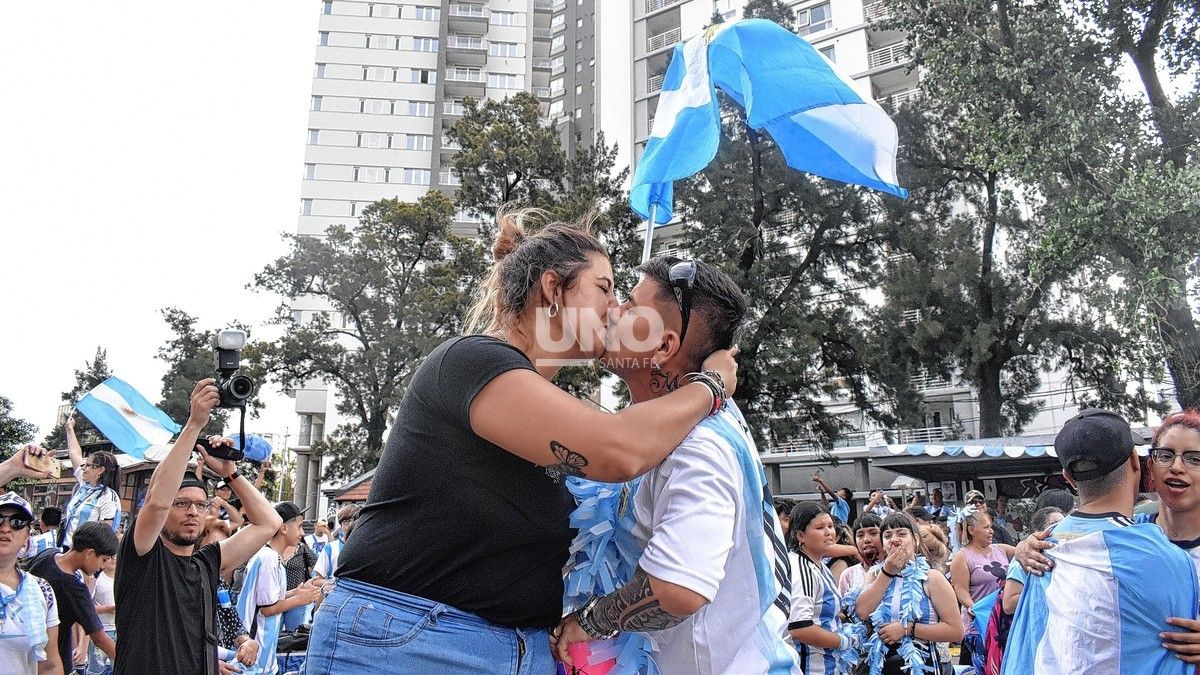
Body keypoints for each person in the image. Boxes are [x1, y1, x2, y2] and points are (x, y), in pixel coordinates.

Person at [306, 215, 738, 674]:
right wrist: (711, 384)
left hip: (510, 651)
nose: (617, 309)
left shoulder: (545, 405)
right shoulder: (472, 360)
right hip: (409, 643)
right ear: (553, 289)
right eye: (605, 288)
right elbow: (619, 451)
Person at [549, 255, 794, 673]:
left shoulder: (698, 447)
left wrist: (589, 622)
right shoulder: (668, 428)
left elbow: (678, 588)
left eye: (629, 304)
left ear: (663, 347)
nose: (613, 311)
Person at [1002, 409, 1198, 674]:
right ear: (1145, 464)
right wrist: (1026, 549)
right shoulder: (1121, 536)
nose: (1177, 466)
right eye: (1165, 455)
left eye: (1194, 458)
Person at [114, 379, 283, 674]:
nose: (192, 512)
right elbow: (157, 501)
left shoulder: (206, 563)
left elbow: (269, 523)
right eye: (181, 504)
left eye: (200, 504)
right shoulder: (142, 554)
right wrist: (194, 426)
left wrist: (230, 474)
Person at [852, 512, 962, 674]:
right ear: (883, 544)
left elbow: (956, 631)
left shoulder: (932, 577)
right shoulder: (875, 574)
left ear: (915, 540)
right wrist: (887, 572)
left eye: (902, 534)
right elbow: (862, 612)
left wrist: (908, 629)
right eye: (888, 536)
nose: (894, 540)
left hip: (924, 664)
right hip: (882, 664)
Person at [238, 502, 322, 675]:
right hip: (255, 656)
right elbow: (267, 609)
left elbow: (270, 598)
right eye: (299, 526)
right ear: (284, 528)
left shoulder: (269, 556)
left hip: (261, 657)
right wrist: (299, 600)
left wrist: (296, 592)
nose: (302, 533)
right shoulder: (269, 559)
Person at [27, 520, 117, 672]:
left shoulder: (46, 556)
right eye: (103, 560)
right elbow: (100, 638)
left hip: (26, 654)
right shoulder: (75, 589)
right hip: (53, 662)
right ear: (90, 553)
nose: (101, 567)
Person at [0, 491, 62, 675]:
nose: (5, 528)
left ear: (28, 536)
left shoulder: (42, 591)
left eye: (17, 522)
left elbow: (50, 665)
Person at [949, 506, 1014, 670]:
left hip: (1003, 621)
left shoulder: (1002, 550)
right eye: (986, 527)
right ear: (971, 530)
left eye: (991, 526)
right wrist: (971, 606)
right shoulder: (962, 557)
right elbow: (960, 588)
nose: (991, 531)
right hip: (979, 624)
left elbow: (1023, 551)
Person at [786, 503, 849, 675]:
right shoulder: (801, 569)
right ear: (800, 535)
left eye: (831, 526)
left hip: (829, 664)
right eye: (820, 528)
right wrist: (843, 641)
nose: (829, 532)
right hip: (810, 667)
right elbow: (800, 628)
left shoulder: (819, 564)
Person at [60, 416, 122, 550]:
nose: (83, 468)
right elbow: (74, 453)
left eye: (88, 465)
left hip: (84, 555)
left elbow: (104, 534)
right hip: (66, 549)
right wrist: (70, 429)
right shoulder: (85, 485)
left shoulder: (107, 497)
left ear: (100, 470)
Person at [83, 552, 117, 675]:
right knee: (96, 669)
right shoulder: (96, 579)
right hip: (101, 630)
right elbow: (86, 606)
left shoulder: (122, 578)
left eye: (115, 556)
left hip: (119, 629)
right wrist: (109, 609)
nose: (113, 559)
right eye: (110, 557)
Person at [838, 513, 882, 597]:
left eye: (873, 533)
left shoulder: (897, 571)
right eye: (860, 535)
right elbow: (841, 609)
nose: (866, 540)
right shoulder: (848, 574)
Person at [311, 504, 358, 583]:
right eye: (346, 522)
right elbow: (317, 580)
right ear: (341, 525)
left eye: (355, 521)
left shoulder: (366, 547)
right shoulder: (331, 548)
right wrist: (334, 584)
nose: (350, 525)